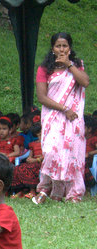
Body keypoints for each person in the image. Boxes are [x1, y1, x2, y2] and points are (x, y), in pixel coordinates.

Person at [33, 32, 90, 204]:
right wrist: (64, 109)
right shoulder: (44, 69)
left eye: (65, 45)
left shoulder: (77, 65)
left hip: (73, 120)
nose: (62, 49)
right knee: (51, 151)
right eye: (58, 45)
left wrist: (69, 65)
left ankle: (73, 194)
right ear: (52, 48)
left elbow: (85, 82)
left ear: (70, 48)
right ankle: (45, 189)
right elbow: (42, 97)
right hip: (54, 117)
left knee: (72, 154)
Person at [11, 123, 43, 198]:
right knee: (19, 168)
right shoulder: (33, 144)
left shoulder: (48, 143)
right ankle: (21, 190)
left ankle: (33, 191)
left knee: (33, 167)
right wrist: (29, 159)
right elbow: (30, 156)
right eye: (38, 135)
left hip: (43, 162)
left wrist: (36, 160)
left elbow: (47, 155)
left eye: (41, 134)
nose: (40, 137)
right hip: (34, 161)